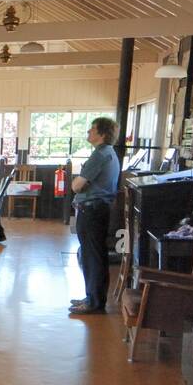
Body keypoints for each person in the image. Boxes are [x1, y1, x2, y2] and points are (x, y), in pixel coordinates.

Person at [69, 117, 120, 315]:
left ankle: (94, 302)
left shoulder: (100, 155)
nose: (88, 133)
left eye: (92, 130)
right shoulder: (109, 153)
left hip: (91, 211)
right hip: (98, 209)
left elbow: (76, 186)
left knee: (93, 256)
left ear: (102, 134)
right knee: (93, 255)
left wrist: (79, 183)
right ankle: (92, 297)